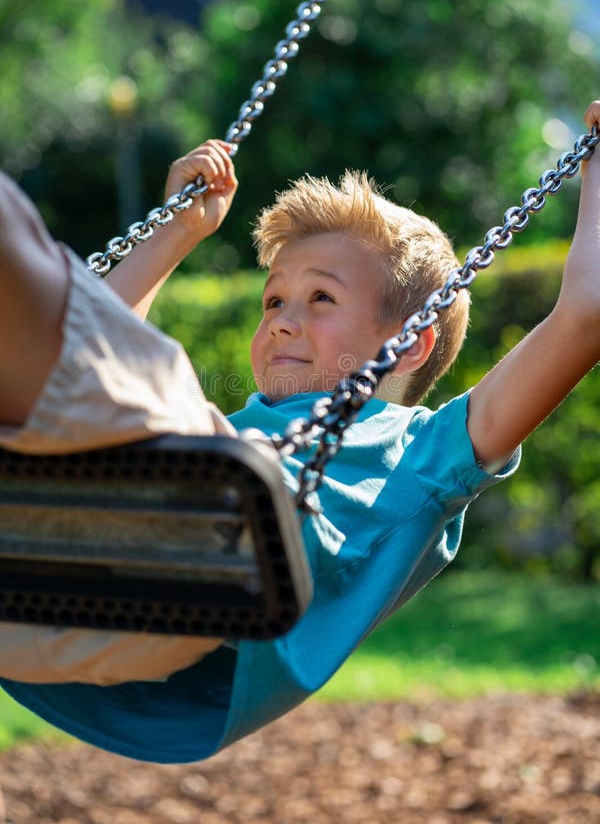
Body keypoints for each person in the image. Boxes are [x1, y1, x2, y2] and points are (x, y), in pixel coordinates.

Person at [0, 100, 599, 764]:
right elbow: (73, 371)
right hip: (76, 599)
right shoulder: (237, 426)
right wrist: (175, 231)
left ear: (409, 345)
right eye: (274, 300)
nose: (283, 320)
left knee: (36, 275)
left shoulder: (428, 453)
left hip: (223, 585)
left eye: (321, 298)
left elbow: (586, 314)